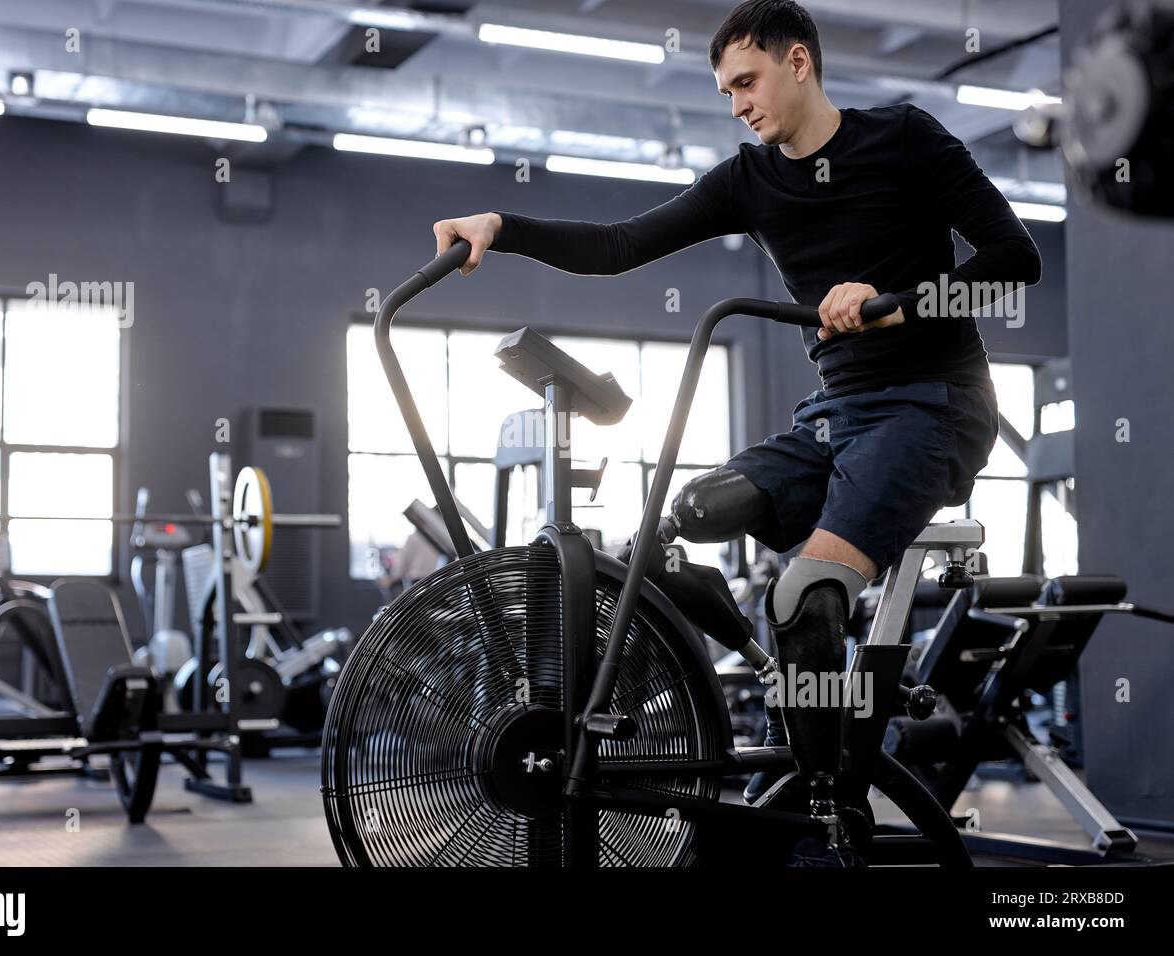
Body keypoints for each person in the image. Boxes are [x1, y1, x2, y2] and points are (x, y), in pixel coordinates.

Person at [431, 0, 1041, 838]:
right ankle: (785, 693)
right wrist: (498, 228)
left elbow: (1017, 262)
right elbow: (616, 247)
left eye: (746, 82)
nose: (738, 105)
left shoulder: (906, 138)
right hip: (833, 412)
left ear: (799, 64)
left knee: (808, 590)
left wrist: (895, 305)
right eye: (725, 91)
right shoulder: (750, 179)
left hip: (935, 402)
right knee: (691, 516)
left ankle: (831, 813)